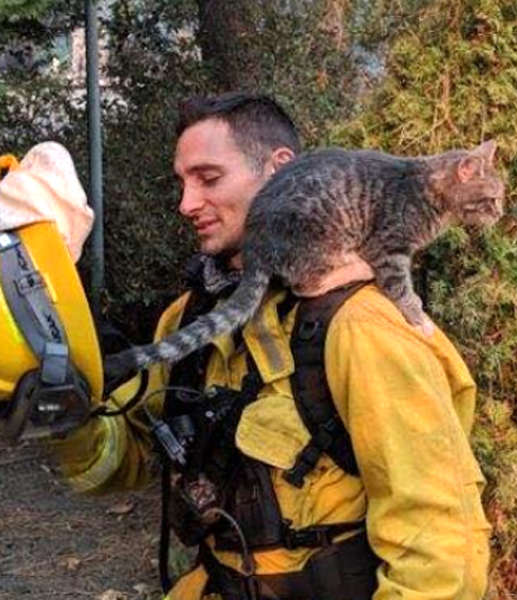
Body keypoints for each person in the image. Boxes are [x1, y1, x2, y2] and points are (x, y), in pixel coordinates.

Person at [50, 92, 491, 599]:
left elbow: (437, 547)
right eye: (182, 183)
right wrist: (65, 411)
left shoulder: (359, 326)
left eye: (209, 179)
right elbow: (123, 461)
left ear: (280, 170)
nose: (186, 204)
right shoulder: (191, 318)